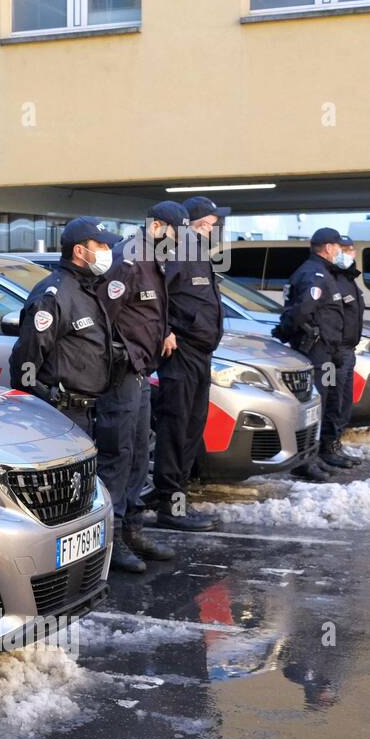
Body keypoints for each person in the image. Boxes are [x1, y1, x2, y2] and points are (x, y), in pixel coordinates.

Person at [95, 202, 185, 573]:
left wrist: (162, 331)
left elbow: (145, 310)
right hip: (123, 372)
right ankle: (112, 543)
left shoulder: (151, 257)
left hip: (143, 370)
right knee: (118, 455)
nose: (180, 241)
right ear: (159, 225)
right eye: (177, 232)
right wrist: (126, 354)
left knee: (135, 455)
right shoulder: (128, 258)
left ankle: (133, 530)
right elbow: (105, 316)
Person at [152, 196, 227, 532]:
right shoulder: (175, 253)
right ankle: (171, 507)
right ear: (194, 224)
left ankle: (179, 500)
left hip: (201, 353)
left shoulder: (199, 254)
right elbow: (155, 298)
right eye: (209, 224)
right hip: (182, 353)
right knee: (177, 428)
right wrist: (165, 331)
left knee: (193, 427)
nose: (213, 230)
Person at [9, 217, 121, 435]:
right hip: (60, 413)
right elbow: (27, 356)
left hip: (87, 411)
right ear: (80, 251)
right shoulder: (55, 294)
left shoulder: (86, 287)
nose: (108, 250)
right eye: (101, 245)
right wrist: (37, 401)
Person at [277, 228, 357, 473]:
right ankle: (304, 462)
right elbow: (301, 311)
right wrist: (287, 332)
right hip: (316, 350)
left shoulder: (324, 273)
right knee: (313, 405)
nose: (341, 252)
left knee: (325, 401)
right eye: (337, 247)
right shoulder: (315, 274)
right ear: (329, 247)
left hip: (328, 351)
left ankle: (315, 454)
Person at [332, 236, 364, 468]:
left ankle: (335, 445)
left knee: (344, 403)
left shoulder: (348, 278)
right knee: (334, 401)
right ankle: (327, 448)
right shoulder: (332, 279)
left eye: (351, 249)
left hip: (348, 349)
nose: (349, 253)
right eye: (344, 249)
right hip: (336, 349)